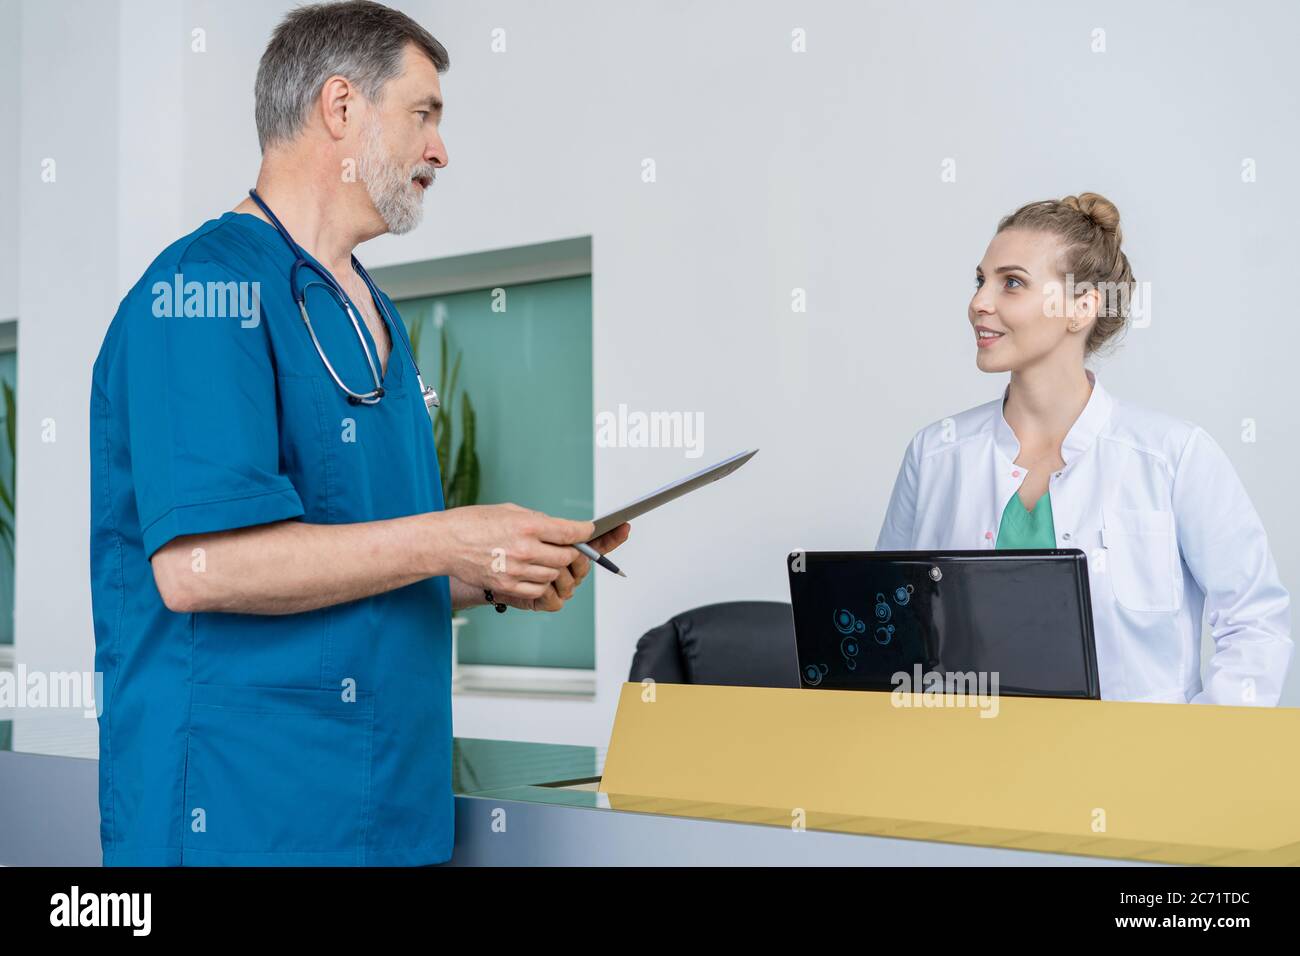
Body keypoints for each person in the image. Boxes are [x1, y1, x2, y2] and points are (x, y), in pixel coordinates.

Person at [88, 0, 629, 866]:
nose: (441, 150)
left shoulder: (374, 313)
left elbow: (370, 560)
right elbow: (200, 569)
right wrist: (450, 537)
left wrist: (493, 569)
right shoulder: (197, 292)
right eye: (424, 114)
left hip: (388, 815)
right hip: (244, 818)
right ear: (340, 108)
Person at [876, 192, 1291, 706]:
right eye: (980, 280)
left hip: (1135, 773)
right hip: (970, 766)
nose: (980, 302)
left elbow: (1255, 625)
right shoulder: (935, 455)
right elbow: (890, 624)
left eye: (1012, 283)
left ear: (1081, 307)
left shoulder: (1173, 455)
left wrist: (1188, 758)